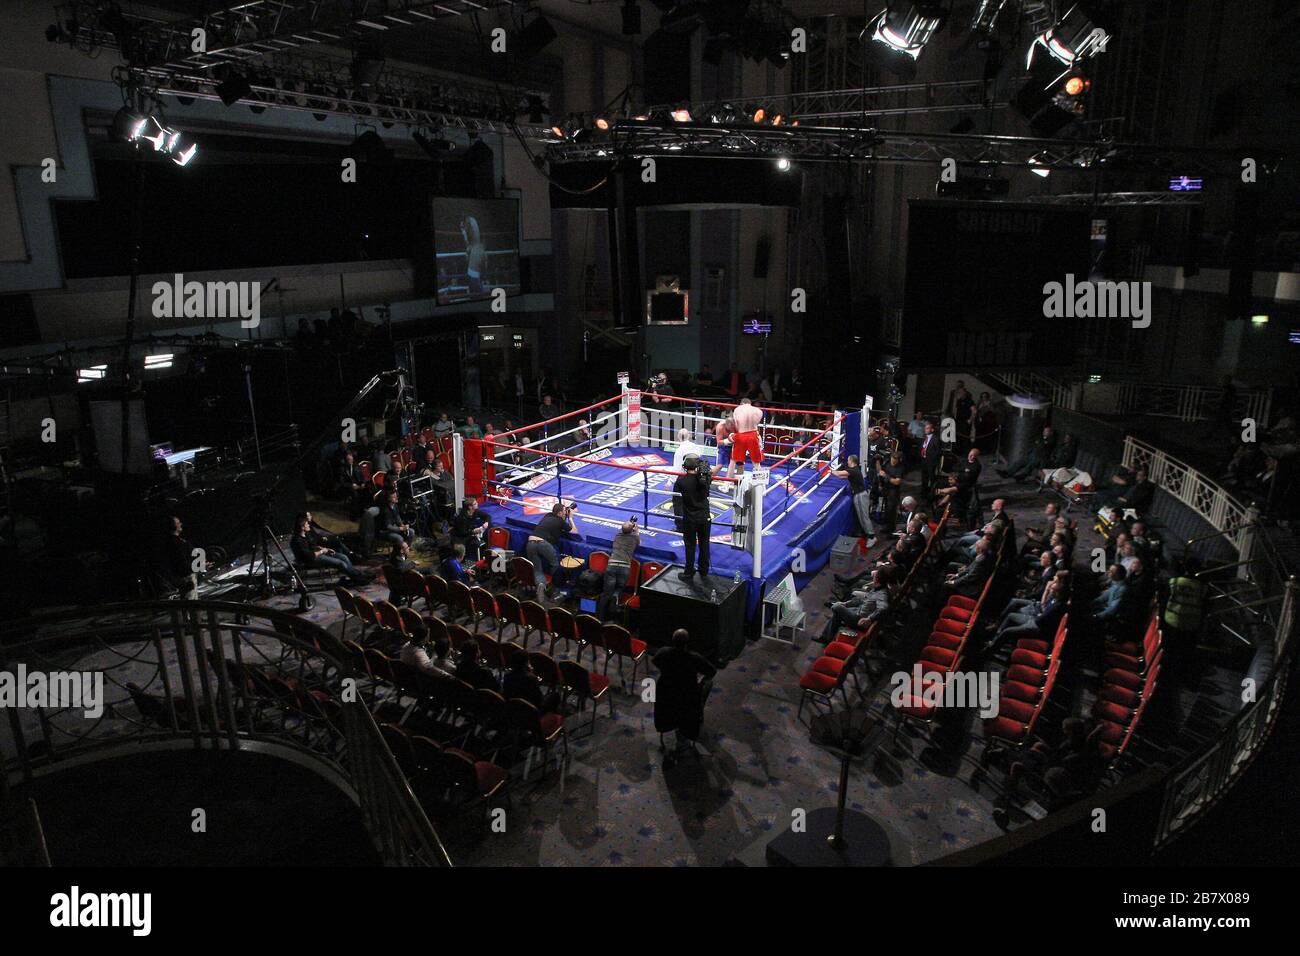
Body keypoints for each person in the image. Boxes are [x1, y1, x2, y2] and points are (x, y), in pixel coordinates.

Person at [652, 628, 718, 757]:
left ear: (672, 641)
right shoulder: (694, 658)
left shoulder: (663, 652)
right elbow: (712, 671)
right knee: (708, 684)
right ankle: (697, 716)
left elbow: (655, 661)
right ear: (687, 643)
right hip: (688, 694)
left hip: (666, 692)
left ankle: (672, 723)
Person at [290, 513, 370, 584]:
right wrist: (322, 551)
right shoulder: (297, 540)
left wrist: (326, 549)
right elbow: (309, 556)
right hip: (311, 560)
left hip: (317, 554)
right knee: (340, 563)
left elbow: (312, 546)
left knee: (343, 557)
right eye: (307, 524)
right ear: (302, 527)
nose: (308, 525)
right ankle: (358, 579)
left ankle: (358, 575)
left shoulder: (306, 535)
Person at [526, 501, 577, 603]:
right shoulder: (561, 521)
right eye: (564, 511)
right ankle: (556, 588)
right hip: (543, 543)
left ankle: (541, 584)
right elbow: (574, 531)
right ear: (560, 513)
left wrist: (564, 515)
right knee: (555, 565)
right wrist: (570, 518)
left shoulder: (548, 515)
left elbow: (555, 523)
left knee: (537, 569)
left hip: (530, 542)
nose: (566, 512)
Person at [673, 455, 714, 580]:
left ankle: (689, 571)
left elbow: (676, 500)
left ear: (685, 467)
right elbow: (708, 476)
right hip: (704, 517)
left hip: (689, 518)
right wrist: (705, 472)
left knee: (690, 545)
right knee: (704, 544)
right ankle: (704, 570)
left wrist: (678, 522)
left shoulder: (681, 481)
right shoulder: (703, 480)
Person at [601, 519, 640, 620]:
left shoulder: (617, 536)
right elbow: (639, 541)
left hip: (612, 565)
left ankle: (600, 617)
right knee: (618, 590)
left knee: (606, 593)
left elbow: (625, 529)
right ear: (632, 530)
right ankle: (612, 615)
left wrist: (629, 526)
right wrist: (637, 530)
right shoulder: (634, 537)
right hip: (624, 567)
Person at [832, 454, 874, 543]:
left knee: (864, 517)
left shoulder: (853, 470)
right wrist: (833, 472)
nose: (847, 462)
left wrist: (831, 471)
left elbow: (839, 473)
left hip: (861, 495)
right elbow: (841, 476)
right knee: (862, 517)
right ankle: (867, 534)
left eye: (848, 460)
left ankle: (872, 537)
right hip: (859, 495)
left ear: (851, 461)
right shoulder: (854, 470)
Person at [727, 396, 764, 478]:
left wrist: (734, 435)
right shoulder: (758, 411)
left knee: (733, 460)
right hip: (753, 435)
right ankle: (760, 482)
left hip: (741, 435)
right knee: (756, 462)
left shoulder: (737, 409)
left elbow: (736, 425)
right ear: (750, 403)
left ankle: (727, 482)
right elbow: (756, 424)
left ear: (741, 403)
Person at [875, 448, 906, 533]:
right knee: (886, 508)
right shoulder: (887, 463)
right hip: (886, 488)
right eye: (893, 459)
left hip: (893, 491)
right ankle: (886, 526)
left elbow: (897, 481)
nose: (893, 461)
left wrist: (886, 476)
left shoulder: (900, 468)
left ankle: (891, 528)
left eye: (895, 460)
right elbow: (880, 471)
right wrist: (877, 462)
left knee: (891, 509)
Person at [451, 497, 488, 562]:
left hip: (468, 532)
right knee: (462, 553)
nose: (477, 504)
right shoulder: (461, 517)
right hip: (459, 536)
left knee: (483, 539)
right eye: (475, 503)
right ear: (470, 507)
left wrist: (486, 522)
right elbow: (462, 532)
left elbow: (487, 516)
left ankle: (482, 559)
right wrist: (473, 532)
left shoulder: (475, 511)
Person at [460, 215, 485, 294]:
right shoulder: (472, 220)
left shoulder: (469, 222)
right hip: (477, 249)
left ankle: (477, 293)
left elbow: (468, 244)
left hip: (475, 250)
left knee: (474, 280)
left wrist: (464, 232)